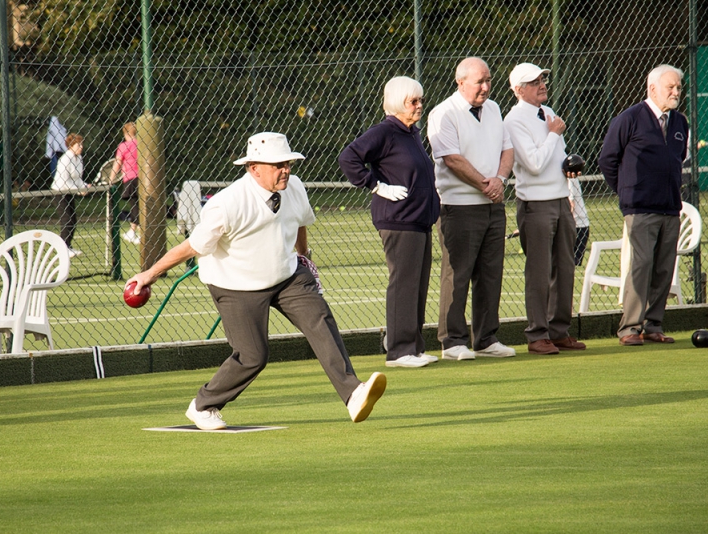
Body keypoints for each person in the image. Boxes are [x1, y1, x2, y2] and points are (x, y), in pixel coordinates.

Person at [126, 132, 386, 430]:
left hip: (286, 274)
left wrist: (305, 256)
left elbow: (299, 221)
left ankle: (353, 393)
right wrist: (149, 274)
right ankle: (203, 405)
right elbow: (192, 247)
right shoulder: (227, 204)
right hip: (235, 284)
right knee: (253, 356)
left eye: (287, 163)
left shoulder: (295, 187)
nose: (285, 169)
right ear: (253, 168)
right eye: (277, 165)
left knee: (319, 318)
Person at [338, 76, 441, 368]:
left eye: (421, 100)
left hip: (419, 220)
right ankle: (398, 351)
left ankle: (414, 347)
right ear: (398, 103)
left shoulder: (412, 133)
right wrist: (376, 185)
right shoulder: (385, 131)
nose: (420, 105)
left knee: (418, 284)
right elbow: (349, 157)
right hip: (399, 220)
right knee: (404, 283)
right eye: (413, 101)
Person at [427, 57, 516, 361]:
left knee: (491, 274)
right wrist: (485, 184)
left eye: (489, 80)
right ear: (460, 82)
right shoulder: (443, 113)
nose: (486, 87)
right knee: (458, 274)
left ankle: (486, 338)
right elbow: (451, 159)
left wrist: (500, 179)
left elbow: (508, 148)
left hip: (494, 205)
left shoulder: (493, 109)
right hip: (458, 207)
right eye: (480, 81)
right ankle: (452, 342)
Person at [598, 64, 688, 346]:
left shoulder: (679, 122)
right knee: (641, 265)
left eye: (678, 88)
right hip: (639, 208)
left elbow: (678, 159)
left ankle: (653, 326)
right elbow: (607, 160)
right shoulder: (629, 118)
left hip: (670, 208)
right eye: (670, 88)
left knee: (664, 268)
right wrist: (628, 192)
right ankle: (629, 328)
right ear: (652, 89)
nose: (676, 92)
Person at [504, 62, 586, 355]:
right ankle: (537, 335)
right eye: (534, 82)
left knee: (565, 266)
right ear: (518, 90)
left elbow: (555, 159)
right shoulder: (514, 120)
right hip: (535, 204)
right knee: (539, 271)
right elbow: (534, 164)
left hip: (560, 200)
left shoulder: (549, 114)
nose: (542, 84)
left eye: (542, 79)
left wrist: (569, 168)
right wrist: (553, 134)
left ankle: (559, 331)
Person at [51, 133, 90, 258]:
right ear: (71, 146)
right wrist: (79, 190)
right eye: (79, 145)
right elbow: (63, 182)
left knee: (72, 220)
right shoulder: (65, 159)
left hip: (70, 193)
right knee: (67, 220)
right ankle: (62, 249)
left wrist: (84, 186)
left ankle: (67, 246)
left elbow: (77, 179)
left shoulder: (79, 159)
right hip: (60, 192)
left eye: (82, 144)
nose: (81, 147)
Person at [108, 122, 140, 245]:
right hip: (142, 179)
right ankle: (135, 232)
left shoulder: (123, 146)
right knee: (139, 206)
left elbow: (117, 163)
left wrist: (111, 178)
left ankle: (132, 232)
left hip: (131, 178)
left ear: (125, 133)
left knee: (134, 205)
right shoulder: (140, 144)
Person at [568, 176, 591, 266]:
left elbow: (570, 205)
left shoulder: (568, 176)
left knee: (570, 266)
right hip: (580, 225)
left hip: (576, 226)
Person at [45, 116, 68, 190]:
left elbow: (51, 141)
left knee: (57, 174)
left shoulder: (55, 129)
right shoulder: (59, 129)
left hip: (57, 153)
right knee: (57, 175)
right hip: (57, 153)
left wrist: (48, 153)